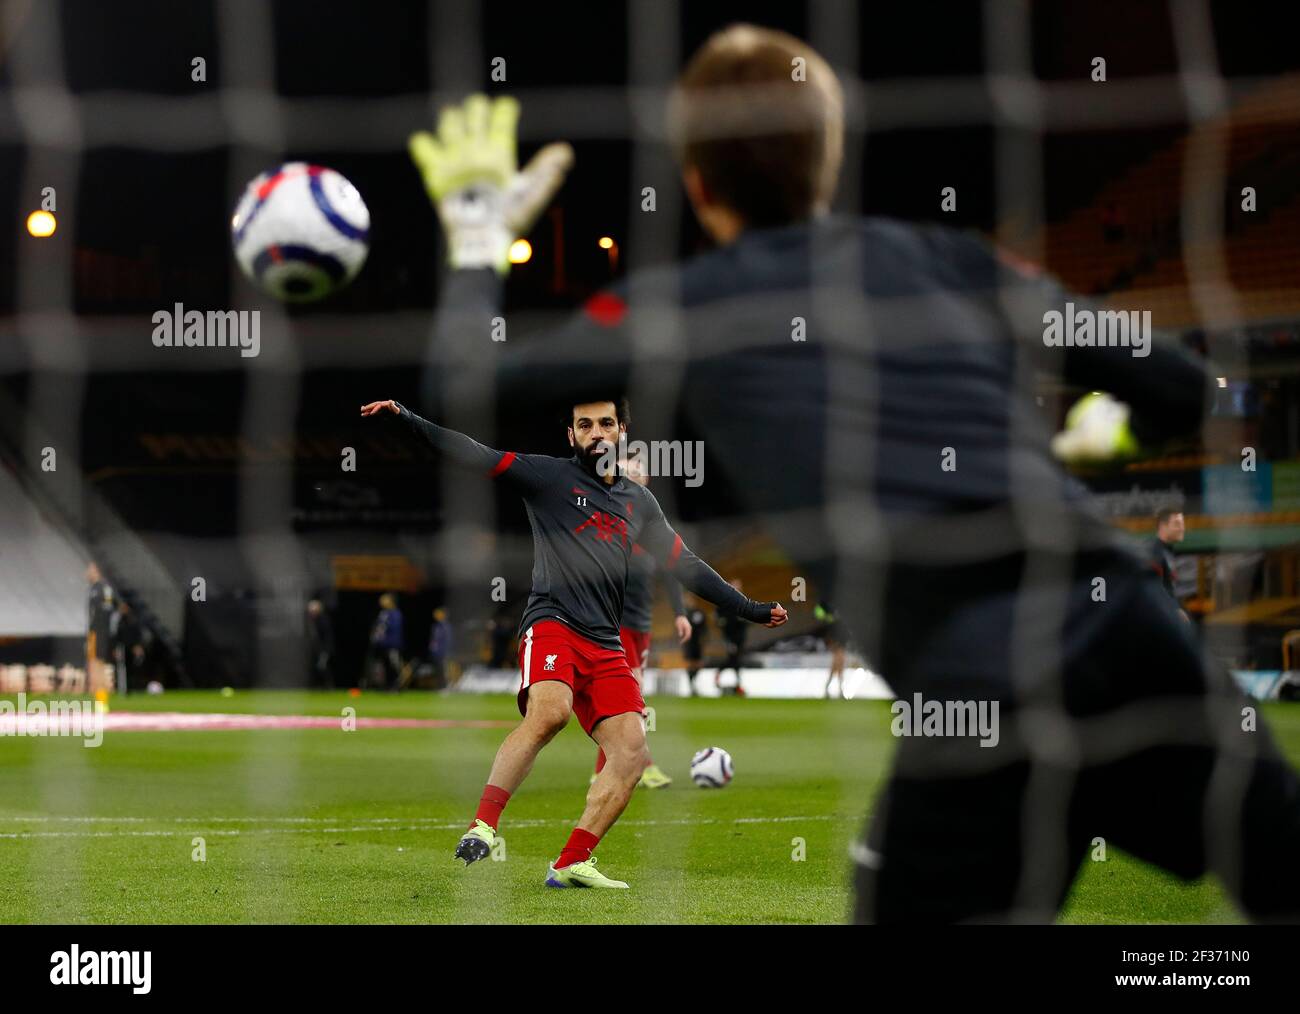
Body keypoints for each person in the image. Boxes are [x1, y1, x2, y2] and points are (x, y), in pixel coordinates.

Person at [409, 26, 1300, 921]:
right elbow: (1184, 385)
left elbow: (459, 381)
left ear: (698, 187)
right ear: (829, 159)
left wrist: (480, 242)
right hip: (1137, 646)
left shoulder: (690, 305)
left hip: (975, 698)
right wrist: (1118, 428)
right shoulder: (953, 260)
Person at [361, 395, 786, 889]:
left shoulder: (639, 502)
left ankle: (572, 863)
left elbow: (686, 565)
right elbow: (474, 453)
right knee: (550, 712)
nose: (597, 433)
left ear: (622, 430)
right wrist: (409, 420)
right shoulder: (549, 478)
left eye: (606, 423)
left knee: (629, 752)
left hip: (606, 643)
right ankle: (483, 825)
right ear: (571, 435)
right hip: (553, 623)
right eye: (585, 425)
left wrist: (751, 609)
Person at [591, 454, 691, 789]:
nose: (631, 475)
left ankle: (600, 771)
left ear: (646, 480)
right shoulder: (609, 519)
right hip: (613, 623)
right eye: (625, 471)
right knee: (634, 696)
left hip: (643, 623)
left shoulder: (652, 526)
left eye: (637, 471)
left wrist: (679, 613)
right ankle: (644, 766)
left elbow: (672, 568)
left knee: (624, 700)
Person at [84, 562, 116, 694]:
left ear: (97, 570)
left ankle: (100, 693)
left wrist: (102, 630)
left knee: (97, 662)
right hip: (94, 631)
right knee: (93, 661)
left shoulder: (104, 588)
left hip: (100, 630)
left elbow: (107, 609)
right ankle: (97, 691)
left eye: (90, 569)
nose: (87, 572)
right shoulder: (93, 588)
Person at [714, 578, 748, 696]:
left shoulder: (744, 602)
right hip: (730, 637)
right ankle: (737, 685)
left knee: (735, 660)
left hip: (741, 637)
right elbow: (720, 620)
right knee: (734, 660)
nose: (738, 589)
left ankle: (736, 684)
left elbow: (748, 619)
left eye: (739, 586)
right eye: (735, 586)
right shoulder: (725, 603)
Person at [367, 593, 404, 691]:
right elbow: (378, 628)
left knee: (393, 665)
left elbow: (393, 629)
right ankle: (387, 686)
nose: (381, 601)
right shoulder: (383, 613)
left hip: (392, 644)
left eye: (384, 599)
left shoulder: (395, 613)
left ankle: (396, 686)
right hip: (382, 645)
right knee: (385, 665)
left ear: (390, 601)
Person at [1149, 506, 1186, 602]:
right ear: (1163, 526)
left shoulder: (1167, 550)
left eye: (1182, 524)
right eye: (1177, 524)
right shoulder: (1154, 551)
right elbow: (1154, 591)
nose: (1182, 529)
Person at [816, 602, 846, 700]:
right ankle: (836, 690)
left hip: (839, 648)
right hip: (837, 649)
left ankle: (833, 690)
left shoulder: (838, 627)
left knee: (837, 670)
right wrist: (833, 646)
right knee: (837, 668)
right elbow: (829, 638)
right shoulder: (834, 626)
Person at [306, 598, 335, 689]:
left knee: (323, 668)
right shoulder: (311, 621)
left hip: (323, 650)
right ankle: (316, 687)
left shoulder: (323, 621)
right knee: (315, 668)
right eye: (311, 611)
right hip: (315, 650)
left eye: (314, 610)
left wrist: (325, 651)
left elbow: (327, 637)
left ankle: (328, 687)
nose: (312, 612)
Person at [681, 600, 709, 696]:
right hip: (689, 642)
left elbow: (704, 627)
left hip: (698, 642)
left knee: (698, 664)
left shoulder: (699, 613)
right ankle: (691, 684)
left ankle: (693, 682)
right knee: (691, 663)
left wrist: (704, 639)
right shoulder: (684, 614)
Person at [427, 606, 453, 689]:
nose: (435, 615)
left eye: (437, 613)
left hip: (443, 652)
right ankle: (440, 686)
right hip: (436, 653)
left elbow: (448, 640)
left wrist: (446, 652)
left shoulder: (446, 626)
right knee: (438, 670)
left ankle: (446, 687)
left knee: (444, 670)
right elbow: (434, 640)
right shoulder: (435, 626)